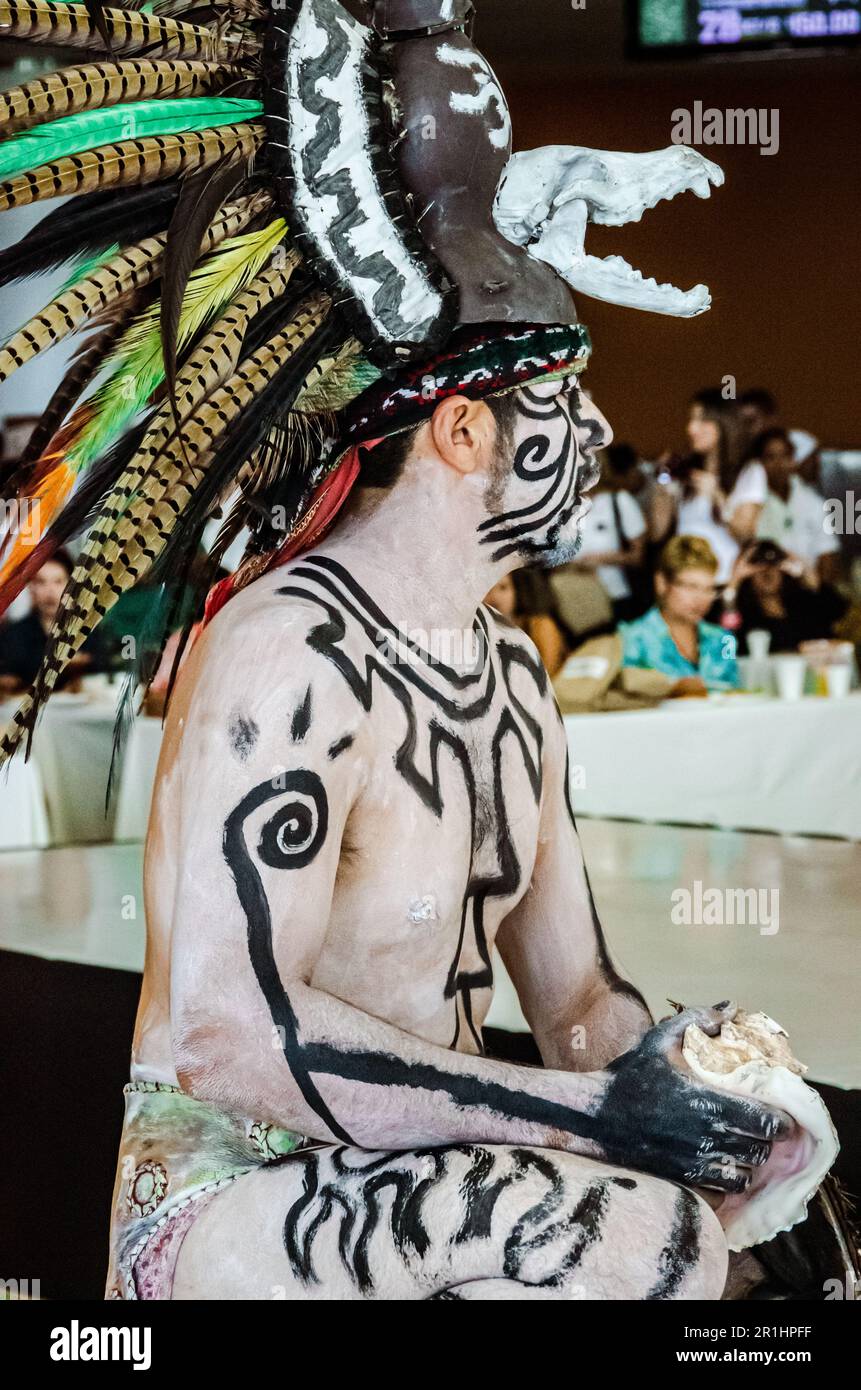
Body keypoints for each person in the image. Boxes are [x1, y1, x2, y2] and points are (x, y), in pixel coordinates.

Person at [2, 0, 826, 1304]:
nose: (604, 431)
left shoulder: (508, 674)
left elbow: (575, 999)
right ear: (454, 433)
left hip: (410, 1167)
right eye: (561, 401)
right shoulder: (283, 657)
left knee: (767, 1242)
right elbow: (228, 1036)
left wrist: (685, 1078)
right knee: (645, 1240)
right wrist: (597, 1123)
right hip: (223, 1193)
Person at [658, 390, 766, 584]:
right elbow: (657, 532)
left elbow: (746, 535)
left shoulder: (749, 471)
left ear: (723, 424)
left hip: (725, 581)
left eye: (701, 420)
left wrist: (716, 497)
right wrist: (662, 483)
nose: (691, 428)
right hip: (685, 582)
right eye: (691, 420)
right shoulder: (686, 471)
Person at [620, 536, 740, 694]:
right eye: (691, 587)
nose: (700, 599)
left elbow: (734, 693)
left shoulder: (723, 639)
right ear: (661, 583)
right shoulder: (631, 639)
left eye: (708, 589)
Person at [0, 550, 104, 696]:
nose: (50, 592)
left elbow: (103, 675)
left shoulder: (88, 630)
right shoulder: (13, 635)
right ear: (31, 588)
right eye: (41, 582)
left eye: (58, 581)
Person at [565, 444, 649, 623]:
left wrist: (598, 560)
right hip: (577, 598)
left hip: (617, 595)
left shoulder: (619, 501)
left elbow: (638, 556)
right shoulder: (566, 508)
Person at [753, 428, 840, 585]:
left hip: (807, 590)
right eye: (770, 457)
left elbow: (827, 553)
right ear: (759, 462)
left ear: (793, 460)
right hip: (763, 590)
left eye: (785, 456)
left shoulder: (813, 502)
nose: (779, 464)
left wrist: (820, 592)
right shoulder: (751, 502)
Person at [730, 540, 848, 655]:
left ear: (783, 572)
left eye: (773, 566)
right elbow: (724, 633)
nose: (767, 572)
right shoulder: (743, 615)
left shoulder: (804, 605)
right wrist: (734, 582)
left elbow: (839, 611)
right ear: (748, 577)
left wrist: (810, 577)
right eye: (759, 569)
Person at [484, 569, 570, 677]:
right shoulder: (477, 634)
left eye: (503, 588)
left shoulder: (539, 625)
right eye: (487, 591)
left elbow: (548, 672)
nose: (495, 598)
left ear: (515, 591)